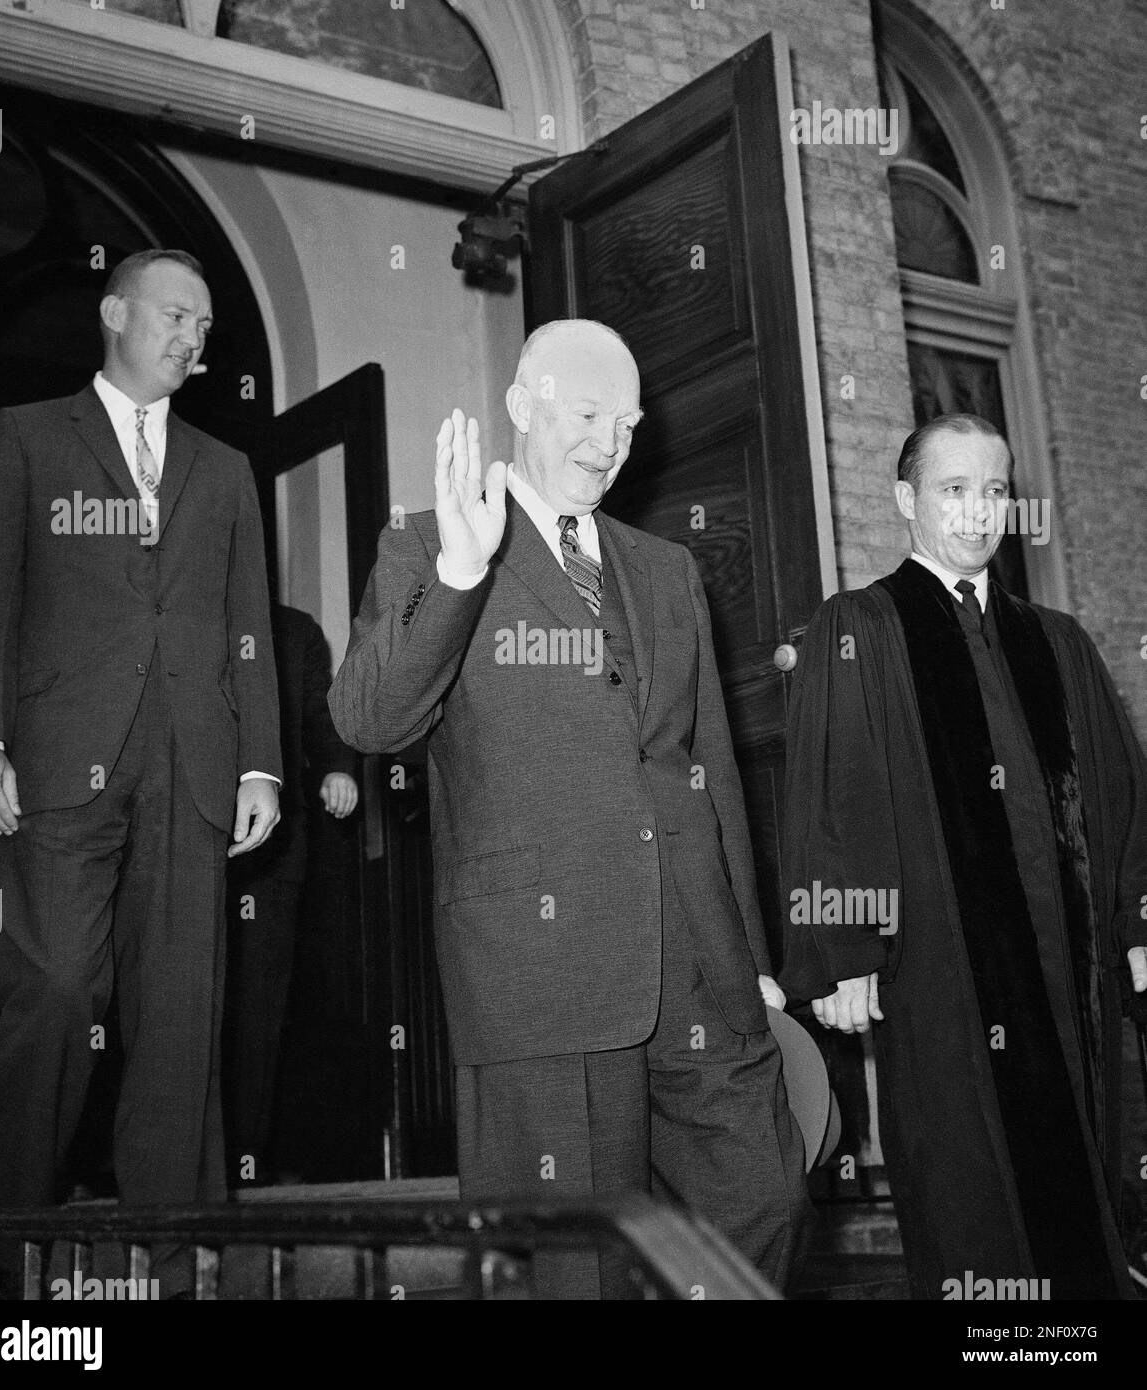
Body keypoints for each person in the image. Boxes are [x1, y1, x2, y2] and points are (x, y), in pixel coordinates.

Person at [330, 318, 810, 1299]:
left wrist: (752, 956)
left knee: (762, 1191)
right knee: (568, 1267)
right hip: (538, 962)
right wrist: (464, 573)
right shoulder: (429, 543)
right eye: (587, 413)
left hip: (694, 949)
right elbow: (368, 716)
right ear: (521, 405)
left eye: (627, 422)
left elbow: (708, 769)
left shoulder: (666, 569)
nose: (609, 442)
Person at [0, 250, 282, 1244]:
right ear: (113, 312)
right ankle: (0, 1239)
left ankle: (174, 1252)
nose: (192, 338)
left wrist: (260, 760)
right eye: (176, 314)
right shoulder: (24, 437)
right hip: (51, 762)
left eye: (205, 326)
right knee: (52, 992)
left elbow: (247, 626)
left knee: (181, 1014)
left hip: (190, 760)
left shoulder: (224, 471)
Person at [780, 412, 1147, 1299]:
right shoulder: (860, 627)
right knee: (965, 1176)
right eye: (955, 490)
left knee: (1084, 1168)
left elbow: (1122, 796)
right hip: (942, 974)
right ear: (907, 500)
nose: (979, 513)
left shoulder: (1057, 641)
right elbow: (838, 795)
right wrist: (847, 950)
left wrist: (1134, 918)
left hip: (1067, 975)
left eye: (994, 492)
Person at [224, 601, 358, 1184]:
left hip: (272, 851)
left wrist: (336, 767)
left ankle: (243, 1169)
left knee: (259, 1012)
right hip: (177, 836)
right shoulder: (178, 609)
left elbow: (318, 716)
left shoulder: (294, 631)